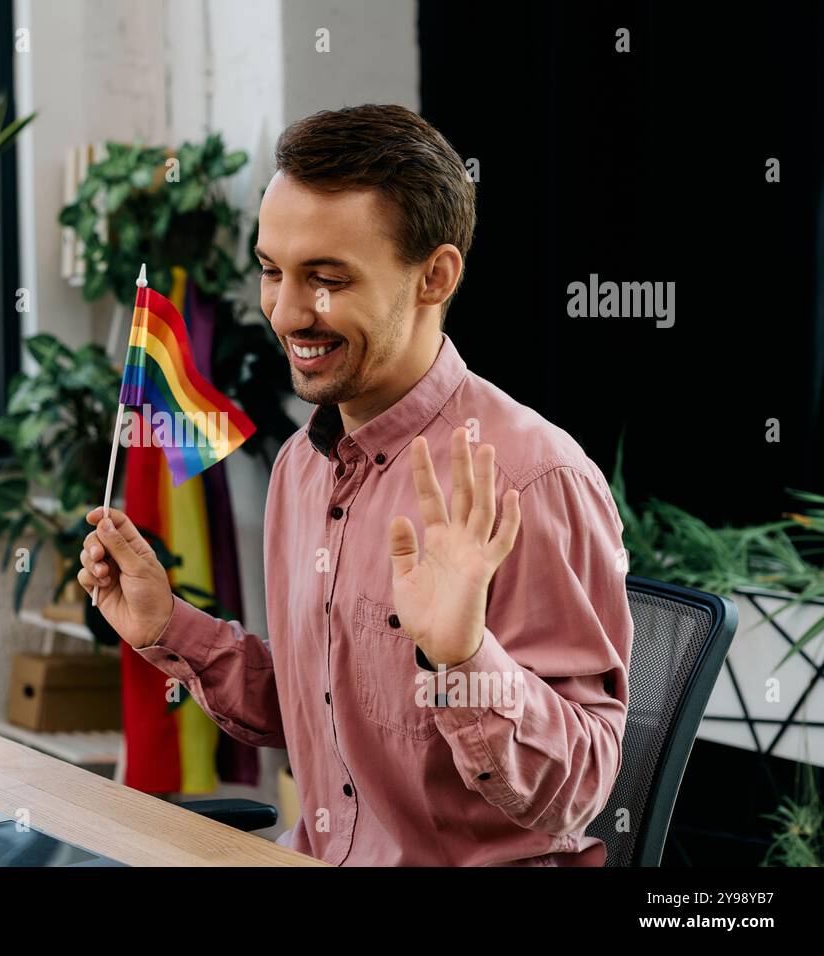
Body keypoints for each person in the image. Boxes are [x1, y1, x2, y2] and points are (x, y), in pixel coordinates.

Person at [77, 104, 633, 866]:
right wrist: (166, 625)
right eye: (272, 271)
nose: (287, 312)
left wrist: (464, 659)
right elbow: (321, 710)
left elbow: (581, 788)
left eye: (327, 279)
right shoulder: (301, 468)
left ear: (435, 275)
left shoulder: (531, 477)